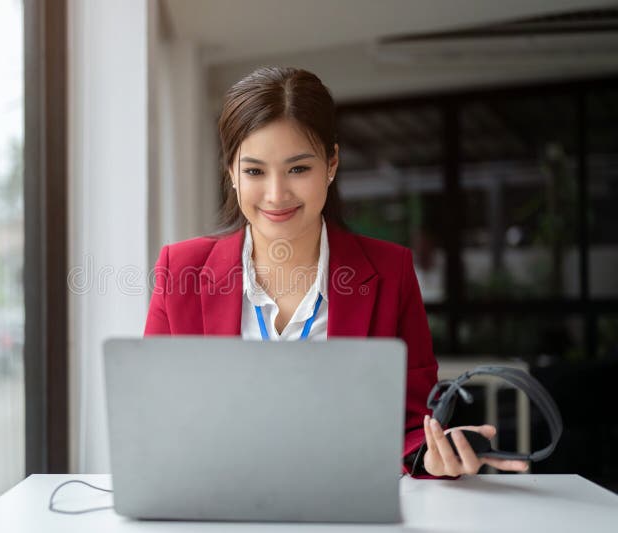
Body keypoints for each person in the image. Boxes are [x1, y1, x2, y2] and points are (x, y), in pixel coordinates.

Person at [144, 66, 528, 478]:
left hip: (345, 503)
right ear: (231, 174)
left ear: (331, 164)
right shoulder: (181, 268)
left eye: (298, 169)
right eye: (254, 171)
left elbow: (414, 422)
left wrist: (433, 454)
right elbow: (152, 412)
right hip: (216, 500)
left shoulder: (390, 271)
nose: (276, 195)